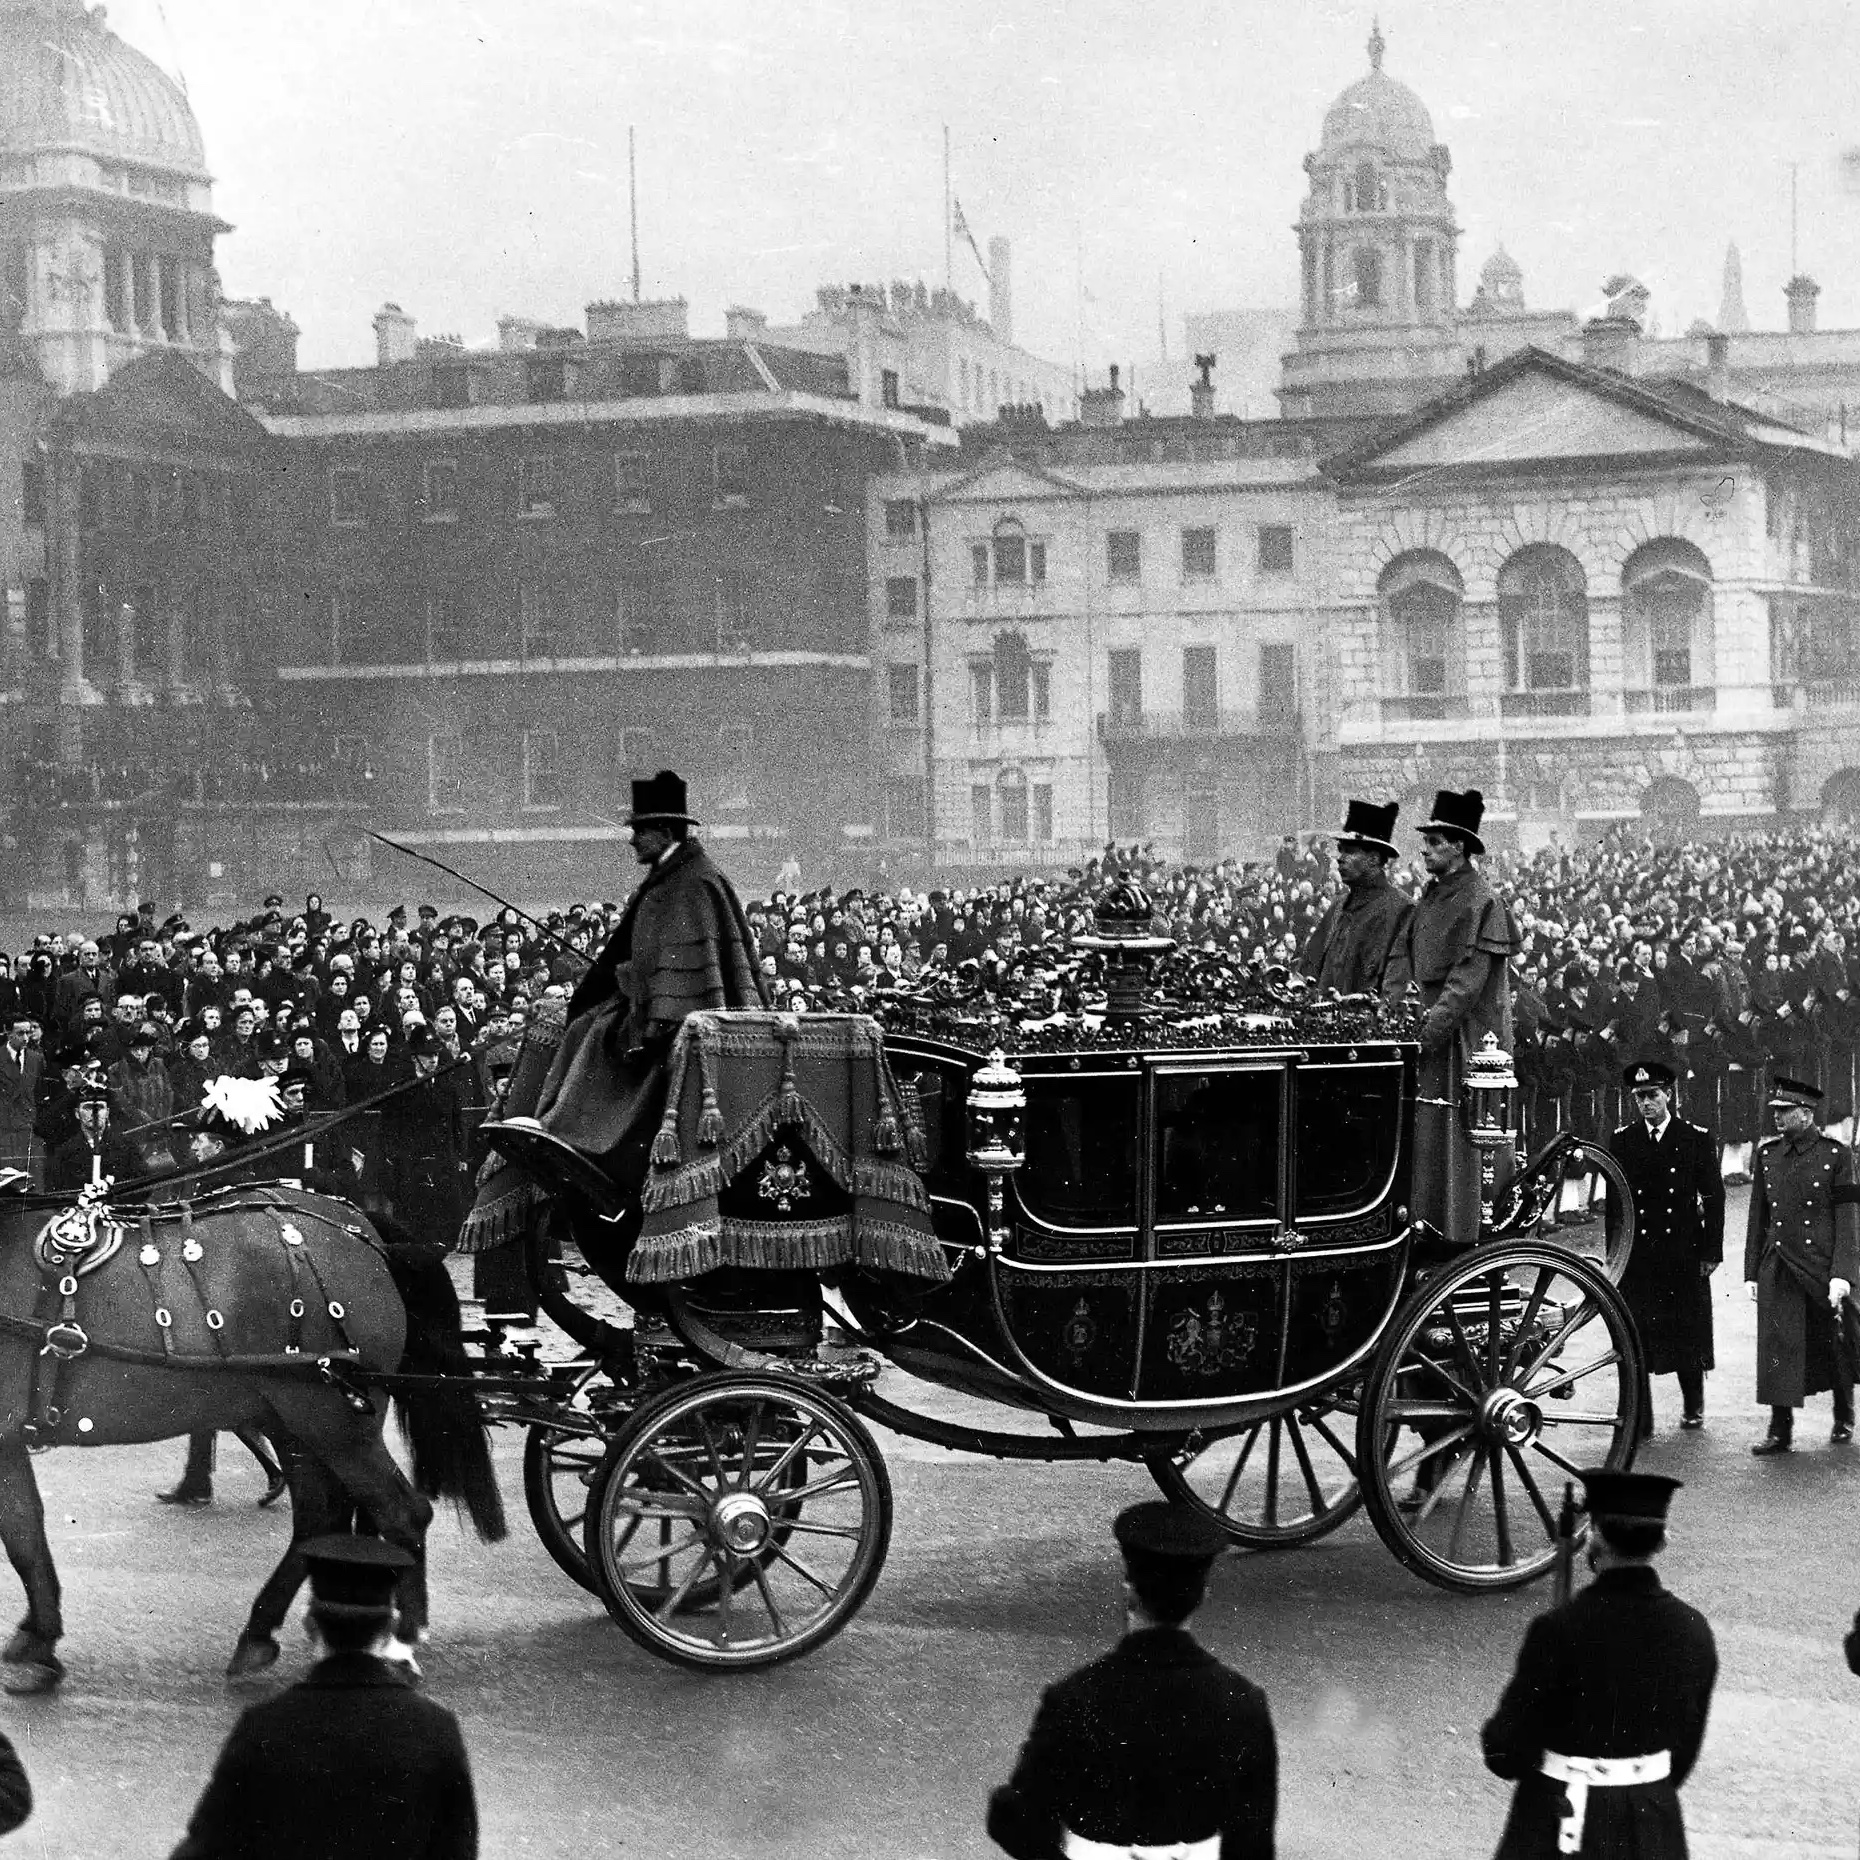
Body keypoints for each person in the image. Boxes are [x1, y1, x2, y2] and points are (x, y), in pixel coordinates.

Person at [986, 1500, 1276, 1860]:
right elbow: (1253, 1843)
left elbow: (1017, 1819)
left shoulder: (1074, 1698)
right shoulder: (1243, 1703)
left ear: (1129, 1592)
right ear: (1202, 1596)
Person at [525, 769, 767, 1188]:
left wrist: (637, 1015)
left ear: (663, 830)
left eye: (639, 830)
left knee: (589, 1034)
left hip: (670, 1030)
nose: (632, 839)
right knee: (582, 1022)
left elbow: (683, 985)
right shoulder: (669, 879)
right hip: (649, 1013)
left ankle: (577, 1140)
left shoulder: (691, 884)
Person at [169, 1536, 478, 1860]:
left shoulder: (263, 1727)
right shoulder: (436, 1729)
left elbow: (205, 1849)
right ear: (391, 1627)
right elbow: (458, 1849)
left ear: (309, 1624)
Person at [1481, 1470, 1716, 1860]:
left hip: (1557, 1821)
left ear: (1595, 1536)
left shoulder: (1557, 1629)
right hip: (1652, 1819)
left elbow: (1506, 1751)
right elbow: (1684, 1752)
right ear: (1664, 1540)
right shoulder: (1693, 1629)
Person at [1383, 789, 1518, 1240]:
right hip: (1428, 1028)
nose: (1424, 849)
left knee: (1457, 1136)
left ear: (1458, 846)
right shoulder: (1431, 896)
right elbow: (1405, 957)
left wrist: (1424, 1033)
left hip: (1464, 1041)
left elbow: (1466, 983)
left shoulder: (1483, 901)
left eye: (1435, 841)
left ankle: (1462, 1235)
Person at [1608, 1060, 1724, 1432]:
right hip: (1639, 1257)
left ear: (1669, 1095)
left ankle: (1693, 1406)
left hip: (1682, 1253)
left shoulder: (1694, 1138)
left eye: (1653, 1095)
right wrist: (1615, 1257)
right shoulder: (1623, 1141)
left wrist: (1711, 1251)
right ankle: (1640, 1420)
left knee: (1686, 1333)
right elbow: (1615, 1207)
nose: (1646, 1103)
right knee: (1637, 1336)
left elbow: (1714, 1197)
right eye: (1639, 1097)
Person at [1745, 1076, 1858, 1454]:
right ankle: (1780, 1429)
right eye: (1774, 1111)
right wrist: (1750, 1272)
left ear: (1806, 1114)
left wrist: (1843, 1273)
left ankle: (1844, 1414)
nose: (1776, 1118)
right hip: (1778, 1264)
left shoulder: (1838, 1156)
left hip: (1822, 1266)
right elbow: (1757, 1217)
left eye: (1784, 1112)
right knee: (1778, 1346)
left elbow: (1849, 1218)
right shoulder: (1766, 1155)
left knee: (1834, 1345)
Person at [1299, 798, 1412, 997]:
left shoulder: (1403, 910)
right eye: (1341, 850)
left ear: (1374, 859)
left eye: (1350, 852)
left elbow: (1400, 985)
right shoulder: (1339, 906)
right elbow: (1309, 967)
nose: (1340, 858)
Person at [0, 1011, 44, 1189]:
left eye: (28, 1032)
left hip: (28, 1128)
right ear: (8, 1033)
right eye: (20, 1033)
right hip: (4, 1130)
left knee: (31, 1181)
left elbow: (40, 1093)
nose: (26, 1038)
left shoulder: (36, 1058)